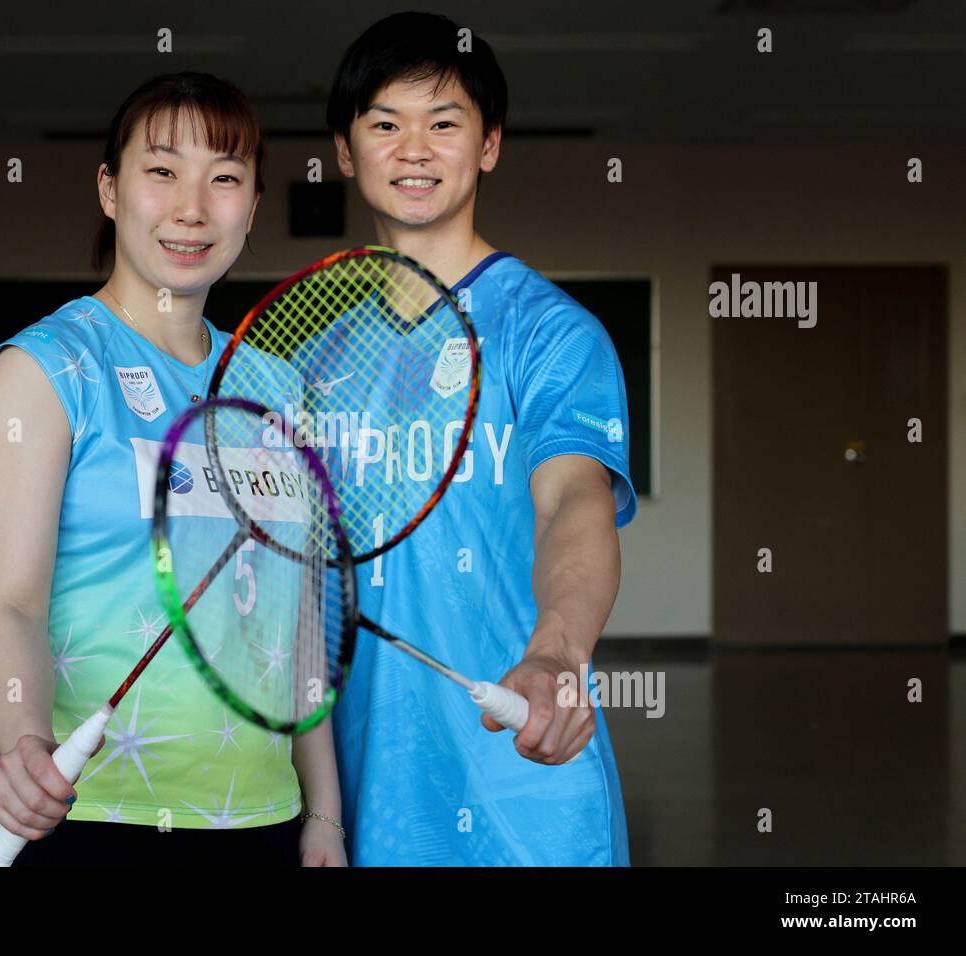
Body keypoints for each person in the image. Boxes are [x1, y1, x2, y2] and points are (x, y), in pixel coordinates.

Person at [0, 71, 346, 866]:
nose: (192, 207)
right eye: (162, 170)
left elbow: (299, 621)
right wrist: (25, 745)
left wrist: (324, 816)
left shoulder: (278, 388)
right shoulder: (47, 373)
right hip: (100, 816)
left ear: (253, 206)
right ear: (110, 188)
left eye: (226, 178)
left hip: (263, 821)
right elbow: (8, 605)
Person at [324, 13, 638, 865]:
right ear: (347, 154)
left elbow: (574, 499)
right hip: (360, 788)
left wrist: (557, 651)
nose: (415, 149)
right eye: (385, 124)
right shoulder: (316, 360)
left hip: (524, 775)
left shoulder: (550, 336)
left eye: (445, 123)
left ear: (489, 145)